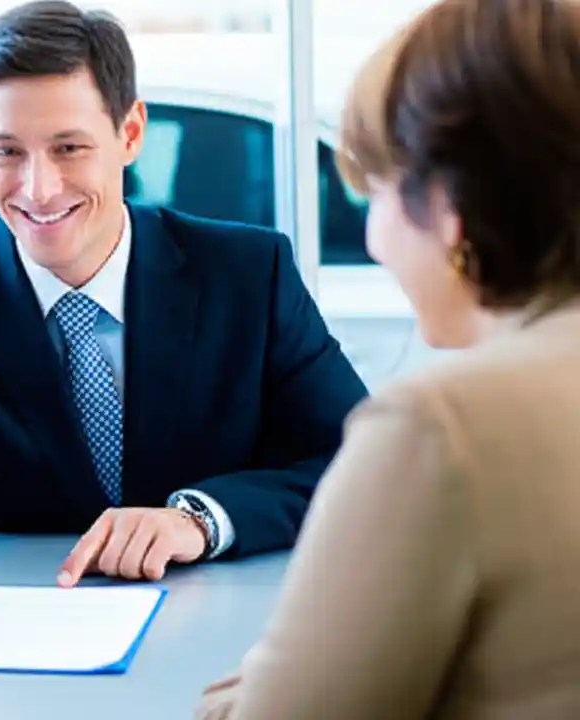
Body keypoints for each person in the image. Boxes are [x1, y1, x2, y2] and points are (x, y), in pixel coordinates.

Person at [0, 0, 368, 660]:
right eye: (6, 152)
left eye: (69, 148)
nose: (39, 188)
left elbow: (357, 461)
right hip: (11, 664)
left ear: (131, 132)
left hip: (224, 649)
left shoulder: (249, 276)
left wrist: (200, 519)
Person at [196, 0, 580, 717]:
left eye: (371, 190)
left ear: (450, 208)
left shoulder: (444, 428)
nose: (371, 237)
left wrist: (277, 660)